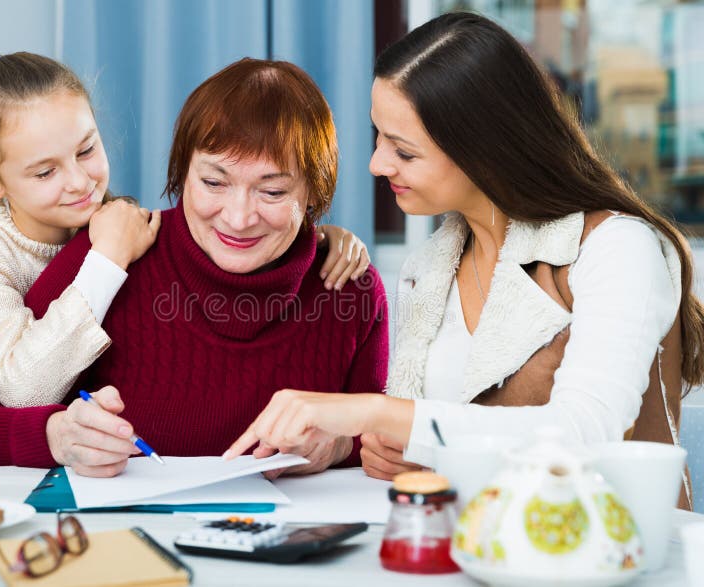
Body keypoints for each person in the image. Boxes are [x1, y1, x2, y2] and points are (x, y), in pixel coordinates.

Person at [225, 13, 703, 509]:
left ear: (483, 151)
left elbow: (586, 434)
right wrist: (409, 455)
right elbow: (453, 442)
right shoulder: (430, 268)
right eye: (379, 136)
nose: (376, 164)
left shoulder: (617, 248)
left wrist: (375, 414)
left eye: (404, 152)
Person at [0, 58, 389, 479]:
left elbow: (381, 441)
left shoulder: (352, 288)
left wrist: (339, 444)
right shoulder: (106, 254)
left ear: (314, 194)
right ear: (181, 173)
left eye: (272, 192)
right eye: (213, 182)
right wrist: (57, 434)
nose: (238, 217)